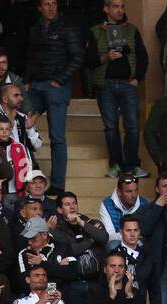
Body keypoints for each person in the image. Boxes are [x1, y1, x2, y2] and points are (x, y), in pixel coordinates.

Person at [24, 0, 82, 197]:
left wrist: (60, 79)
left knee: (57, 137)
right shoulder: (35, 29)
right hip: (36, 85)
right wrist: (28, 81)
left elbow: (77, 57)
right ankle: (28, 175)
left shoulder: (67, 27)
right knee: (23, 126)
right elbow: (31, 57)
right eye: (46, 4)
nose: (51, 7)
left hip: (56, 86)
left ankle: (58, 184)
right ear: (39, 7)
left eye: (54, 3)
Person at [89, 0, 150, 180]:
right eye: (115, 6)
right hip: (105, 84)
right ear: (106, 9)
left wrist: (137, 77)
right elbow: (88, 60)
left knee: (132, 126)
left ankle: (131, 165)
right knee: (110, 127)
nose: (120, 10)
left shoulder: (132, 29)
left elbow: (142, 56)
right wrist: (106, 57)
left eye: (122, 6)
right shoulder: (96, 31)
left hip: (127, 83)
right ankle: (115, 164)